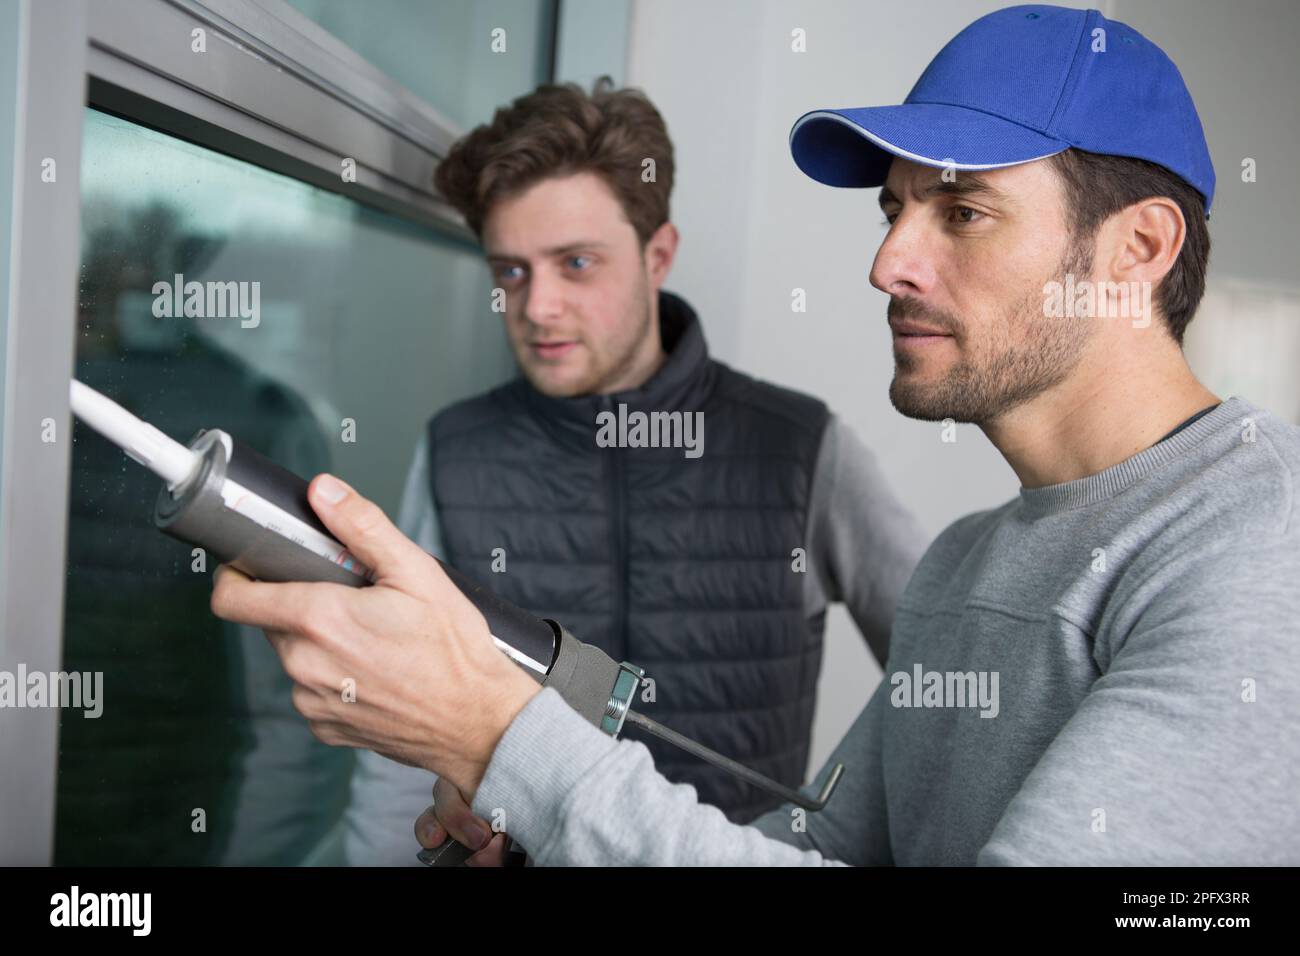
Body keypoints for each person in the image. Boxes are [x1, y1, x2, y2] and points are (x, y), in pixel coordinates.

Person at [211, 5, 1300, 865]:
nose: (888, 264)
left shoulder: (1255, 553)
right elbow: (819, 847)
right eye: (892, 212)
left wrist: (507, 742)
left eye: (960, 212)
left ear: (1137, 248)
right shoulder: (968, 559)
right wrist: (544, 823)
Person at [341, 79, 928, 864]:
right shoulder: (456, 451)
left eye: (575, 263)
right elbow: (392, 761)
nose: (538, 306)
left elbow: (948, 685)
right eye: (511, 272)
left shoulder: (799, 447)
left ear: (658, 256)